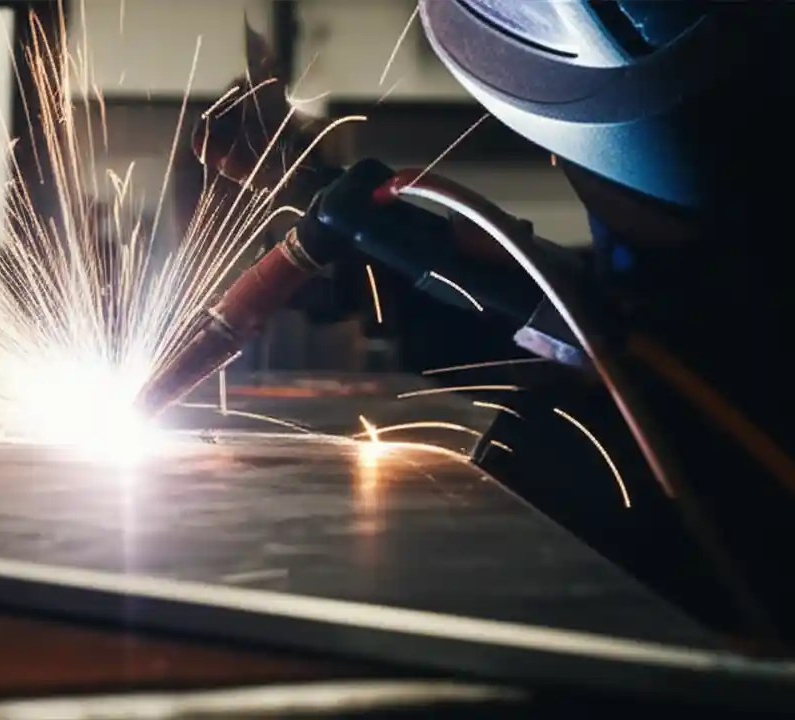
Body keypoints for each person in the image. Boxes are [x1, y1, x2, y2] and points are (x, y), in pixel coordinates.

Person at [198, 2, 795, 648]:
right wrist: (363, 246)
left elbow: (615, 340)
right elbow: (580, 307)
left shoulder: (624, 442)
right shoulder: (700, 278)